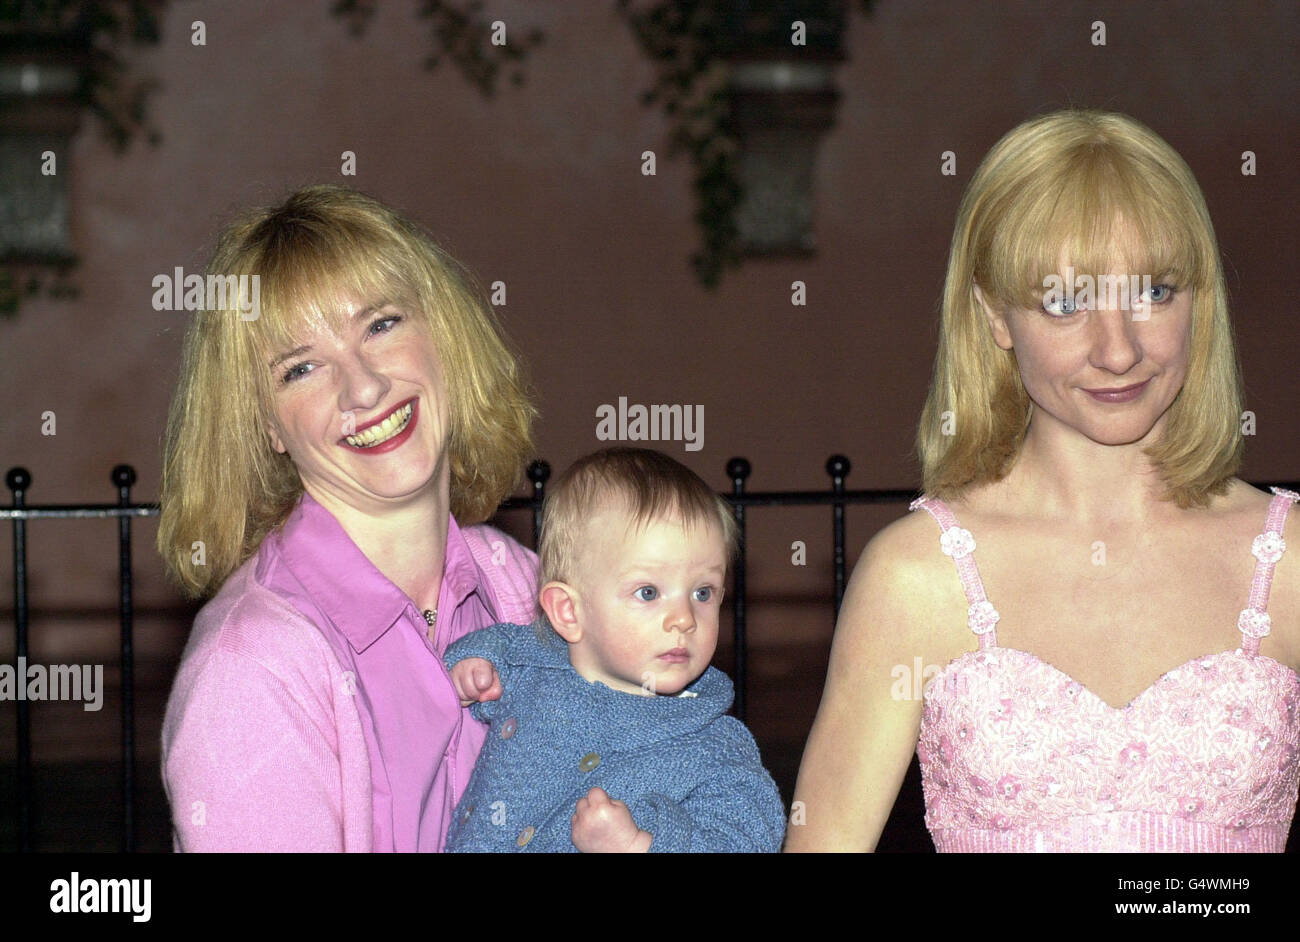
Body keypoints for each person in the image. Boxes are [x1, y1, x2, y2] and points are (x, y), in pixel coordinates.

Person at [788, 109, 1300, 852]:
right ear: (995, 314)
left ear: (1202, 301)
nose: (1118, 351)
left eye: (1154, 292)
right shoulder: (917, 577)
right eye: (1066, 303)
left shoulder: (1287, 563)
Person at [157, 184, 540, 851]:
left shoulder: (523, 585)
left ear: (441, 334)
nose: (362, 387)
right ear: (266, 425)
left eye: (381, 325)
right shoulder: (249, 673)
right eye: (302, 367)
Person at [442, 447, 787, 852]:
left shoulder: (711, 746)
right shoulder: (532, 666)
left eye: (702, 592)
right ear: (568, 611)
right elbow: (497, 646)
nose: (684, 618)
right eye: (648, 592)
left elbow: (746, 839)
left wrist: (638, 847)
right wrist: (471, 666)